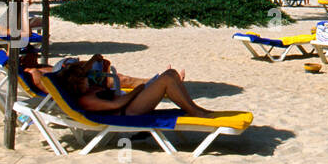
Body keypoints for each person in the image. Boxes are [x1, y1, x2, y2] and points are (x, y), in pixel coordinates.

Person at [60, 60, 216, 119]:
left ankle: (195, 108)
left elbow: (95, 62)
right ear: (77, 84)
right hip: (127, 111)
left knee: (171, 73)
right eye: (84, 78)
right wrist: (137, 91)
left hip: (130, 103)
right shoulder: (86, 100)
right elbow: (116, 105)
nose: (87, 78)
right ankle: (194, 112)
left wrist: (94, 60)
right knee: (167, 79)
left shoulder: (87, 90)